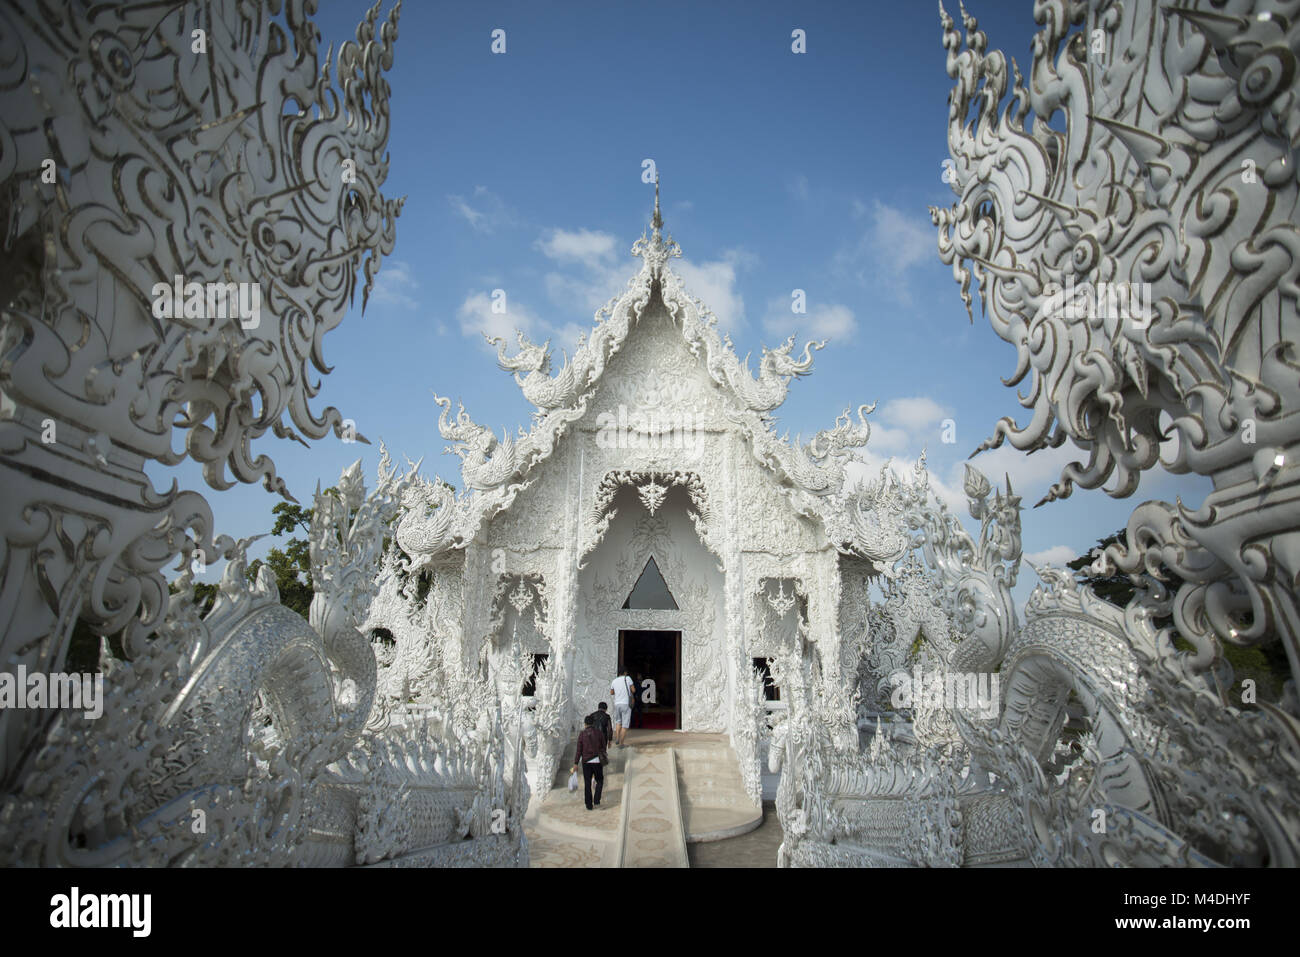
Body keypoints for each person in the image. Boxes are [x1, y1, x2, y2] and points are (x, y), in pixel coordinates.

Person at [572, 715, 607, 811]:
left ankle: (589, 804)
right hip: (597, 760)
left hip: (586, 761)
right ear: (593, 723)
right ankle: (596, 801)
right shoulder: (599, 733)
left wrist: (576, 763)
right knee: (599, 780)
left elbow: (579, 750)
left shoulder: (582, 734)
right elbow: (604, 746)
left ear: (585, 724)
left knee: (587, 783)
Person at [608, 668, 635, 747]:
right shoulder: (628, 678)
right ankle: (621, 743)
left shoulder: (614, 681)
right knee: (625, 724)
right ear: (625, 672)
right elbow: (633, 690)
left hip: (617, 704)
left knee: (618, 722)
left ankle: (617, 738)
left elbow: (612, 692)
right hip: (626, 703)